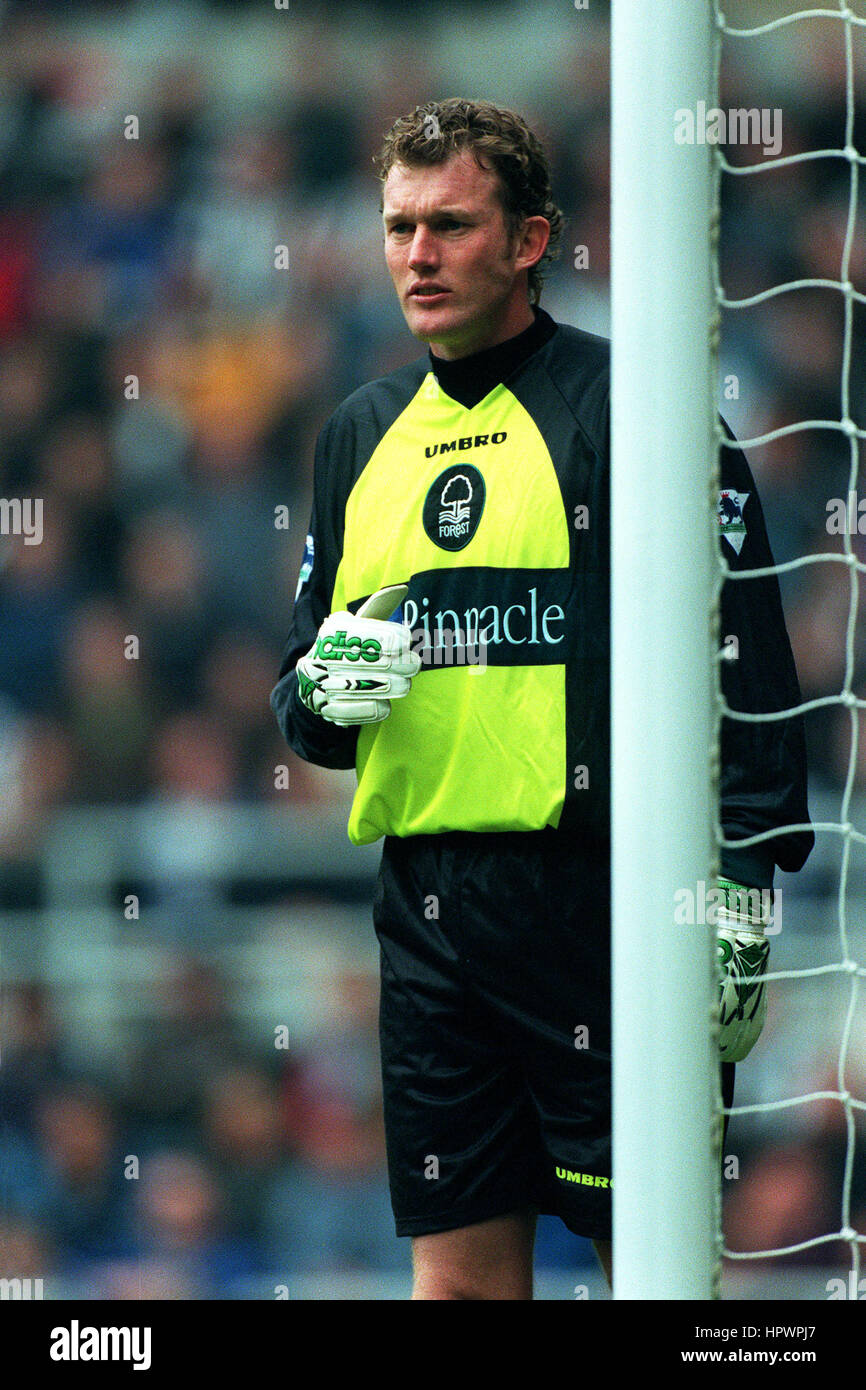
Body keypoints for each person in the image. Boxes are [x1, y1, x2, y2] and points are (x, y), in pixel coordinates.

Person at [270, 98, 814, 1299]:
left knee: (655, 1271)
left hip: (606, 902)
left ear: (528, 240)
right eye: (399, 227)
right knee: (458, 1283)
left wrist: (744, 880)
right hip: (426, 914)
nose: (416, 254)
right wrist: (315, 699)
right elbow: (308, 701)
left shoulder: (635, 407)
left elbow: (747, 650)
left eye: (449, 225)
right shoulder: (356, 435)